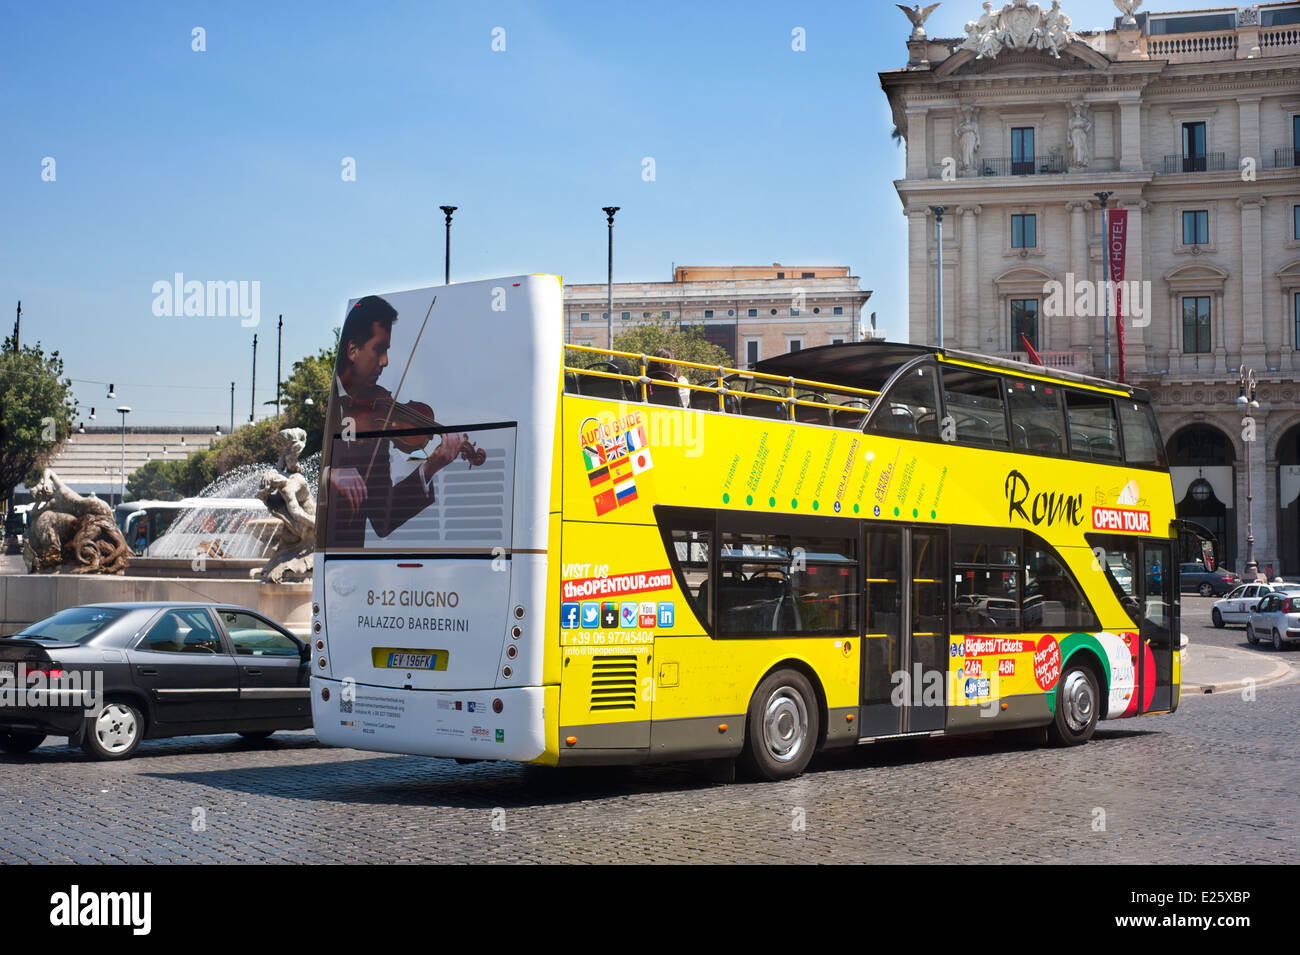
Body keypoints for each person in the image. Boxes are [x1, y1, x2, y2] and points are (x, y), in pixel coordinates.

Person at [322, 295, 469, 548]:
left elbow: (383, 519)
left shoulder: (378, 425)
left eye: (387, 351)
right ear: (353, 350)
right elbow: (283, 473)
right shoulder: (323, 404)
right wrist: (329, 474)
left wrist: (430, 467)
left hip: (349, 562)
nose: (385, 361)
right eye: (379, 349)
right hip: (324, 556)